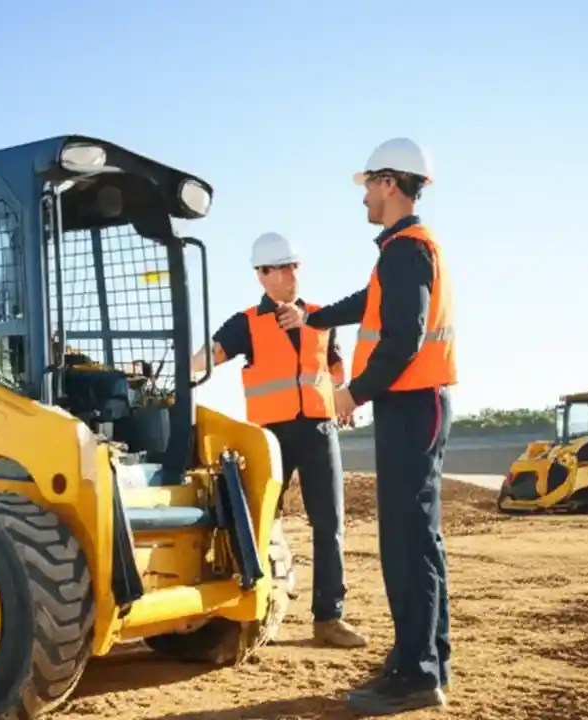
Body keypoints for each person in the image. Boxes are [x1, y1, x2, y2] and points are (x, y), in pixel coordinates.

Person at [275, 137, 456, 714]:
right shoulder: (404, 250)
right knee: (416, 537)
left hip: (410, 404)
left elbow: (402, 337)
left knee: (406, 540)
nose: (364, 198)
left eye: (369, 186)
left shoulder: (406, 250)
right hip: (414, 403)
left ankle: (416, 673)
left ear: (389, 182)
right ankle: (424, 658)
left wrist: (355, 391)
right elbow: (370, 303)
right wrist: (313, 317)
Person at [190, 231, 368, 649]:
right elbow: (208, 357)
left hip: (320, 430)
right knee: (257, 524)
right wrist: (175, 369)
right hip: (270, 437)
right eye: (282, 268)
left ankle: (328, 619)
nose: (291, 275)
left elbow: (336, 372)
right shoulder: (246, 323)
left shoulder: (323, 317)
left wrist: (343, 402)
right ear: (262, 276)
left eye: (295, 266)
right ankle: (250, 611)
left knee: (330, 525)